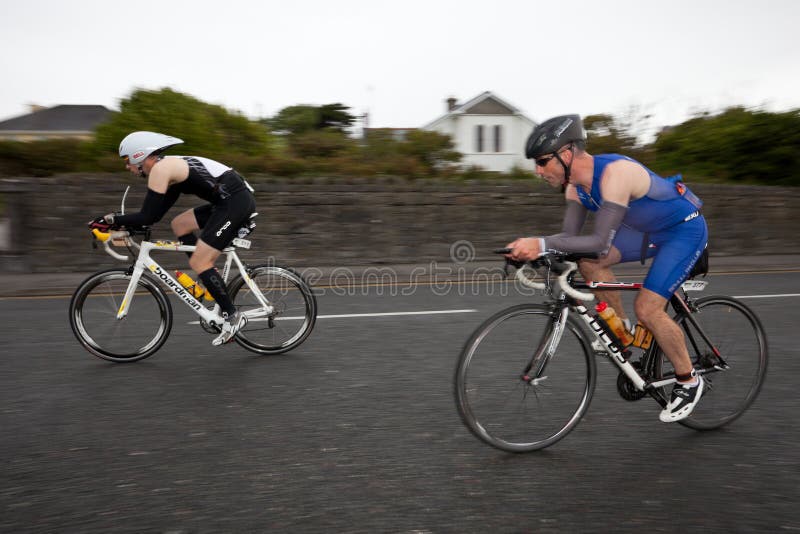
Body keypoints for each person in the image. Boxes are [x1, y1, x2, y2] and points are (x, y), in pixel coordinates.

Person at [506, 115, 708, 423]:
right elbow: (572, 241)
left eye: (543, 161)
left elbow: (599, 240)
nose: (538, 170)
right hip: (645, 233)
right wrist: (537, 252)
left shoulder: (616, 173)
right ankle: (620, 330)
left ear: (568, 153)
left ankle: (689, 380)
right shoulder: (575, 188)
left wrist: (541, 243)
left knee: (649, 309)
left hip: (683, 231)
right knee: (587, 261)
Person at [90, 131, 256, 346]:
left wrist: (110, 220)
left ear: (140, 155)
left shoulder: (161, 169)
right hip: (228, 202)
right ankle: (208, 276)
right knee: (179, 224)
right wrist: (123, 225)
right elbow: (153, 217)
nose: (127, 166)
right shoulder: (167, 168)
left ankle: (233, 316)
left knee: (200, 261)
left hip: (235, 203)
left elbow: (147, 216)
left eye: (127, 160)